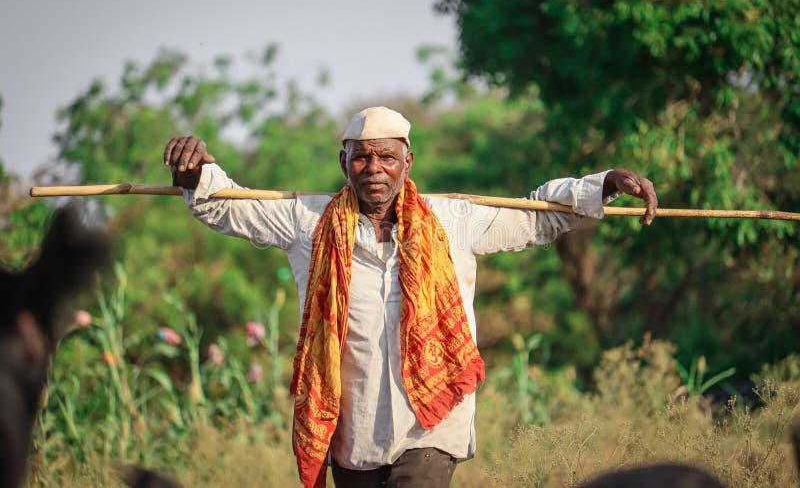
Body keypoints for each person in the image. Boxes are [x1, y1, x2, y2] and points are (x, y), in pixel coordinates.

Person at [163, 106, 658, 488]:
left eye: (386, 157)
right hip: (350, 426)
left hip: (431, 425)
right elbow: (225, 207)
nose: (373, 168)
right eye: (361, 156)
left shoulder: (454, 220)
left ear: (407, 162)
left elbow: (540, 214)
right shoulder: (306, 221)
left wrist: (603, 185)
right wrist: (195, 171)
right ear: (344, 162)